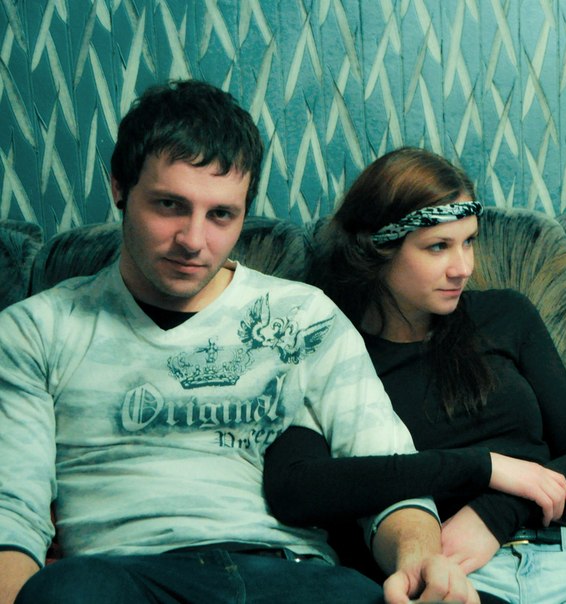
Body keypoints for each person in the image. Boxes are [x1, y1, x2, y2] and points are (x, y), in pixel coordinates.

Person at [0, 82, 488, 604]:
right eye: (169, 205)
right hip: (124, 575)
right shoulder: (36, 330)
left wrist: (418, 561)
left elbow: (386, 467)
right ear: (120, 188)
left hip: (287, 573)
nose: (193, 241)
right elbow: (12, 513)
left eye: (221, 215)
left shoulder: (304, 316)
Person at [263, 147, 566, 604]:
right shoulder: (332, 355)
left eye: (469, 242)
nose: (463, 268)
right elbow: (297, 489)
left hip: (561, 550)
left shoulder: (507, 315)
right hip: (452, 578)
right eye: (438, 247)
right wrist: (482, 467)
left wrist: (495, 513)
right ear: (377, 249)